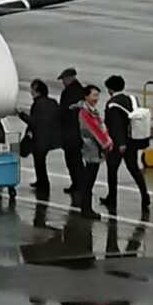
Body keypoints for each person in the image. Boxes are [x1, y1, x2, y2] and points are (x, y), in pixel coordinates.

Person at [101, 75, 148, 211]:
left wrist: (120, 143)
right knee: (134, 168)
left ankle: (112, 198)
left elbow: (116, 125)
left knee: (112, 170)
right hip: (132, 139)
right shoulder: (131, 100)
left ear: (110, 89)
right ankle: (144, 194)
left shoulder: (113, 104)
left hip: (118, 142)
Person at [71, 83, 111, 218]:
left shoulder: (91, 110)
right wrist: (106, 143)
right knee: (88, 181)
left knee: (89, 180)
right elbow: (93, 130)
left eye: (97, 95)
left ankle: (86, 207)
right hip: (91, 149)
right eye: (94, 95)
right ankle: (86, 209)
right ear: (86, 96)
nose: (96, 98)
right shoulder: (85, 112)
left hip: (95, 149)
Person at [21, 79, 60, 195]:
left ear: (37, 91)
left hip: (39, 137)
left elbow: (34, 122)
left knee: (39, 161)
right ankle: (42, 181)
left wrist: (21, 115)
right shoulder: (52, 102)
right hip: (50, 137)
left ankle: (43, 183)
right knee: (40, 160)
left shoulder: (37, 104)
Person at [58, 68, 90, 209]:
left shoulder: (68, 93)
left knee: (72, 160)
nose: (63, 83)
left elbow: (63, 111)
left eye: (64, 80)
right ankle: (78, 183)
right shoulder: (82, 91)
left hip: (70, 131)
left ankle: (78, 184)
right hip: (81, 131)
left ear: (70, 78)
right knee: (77, 159)